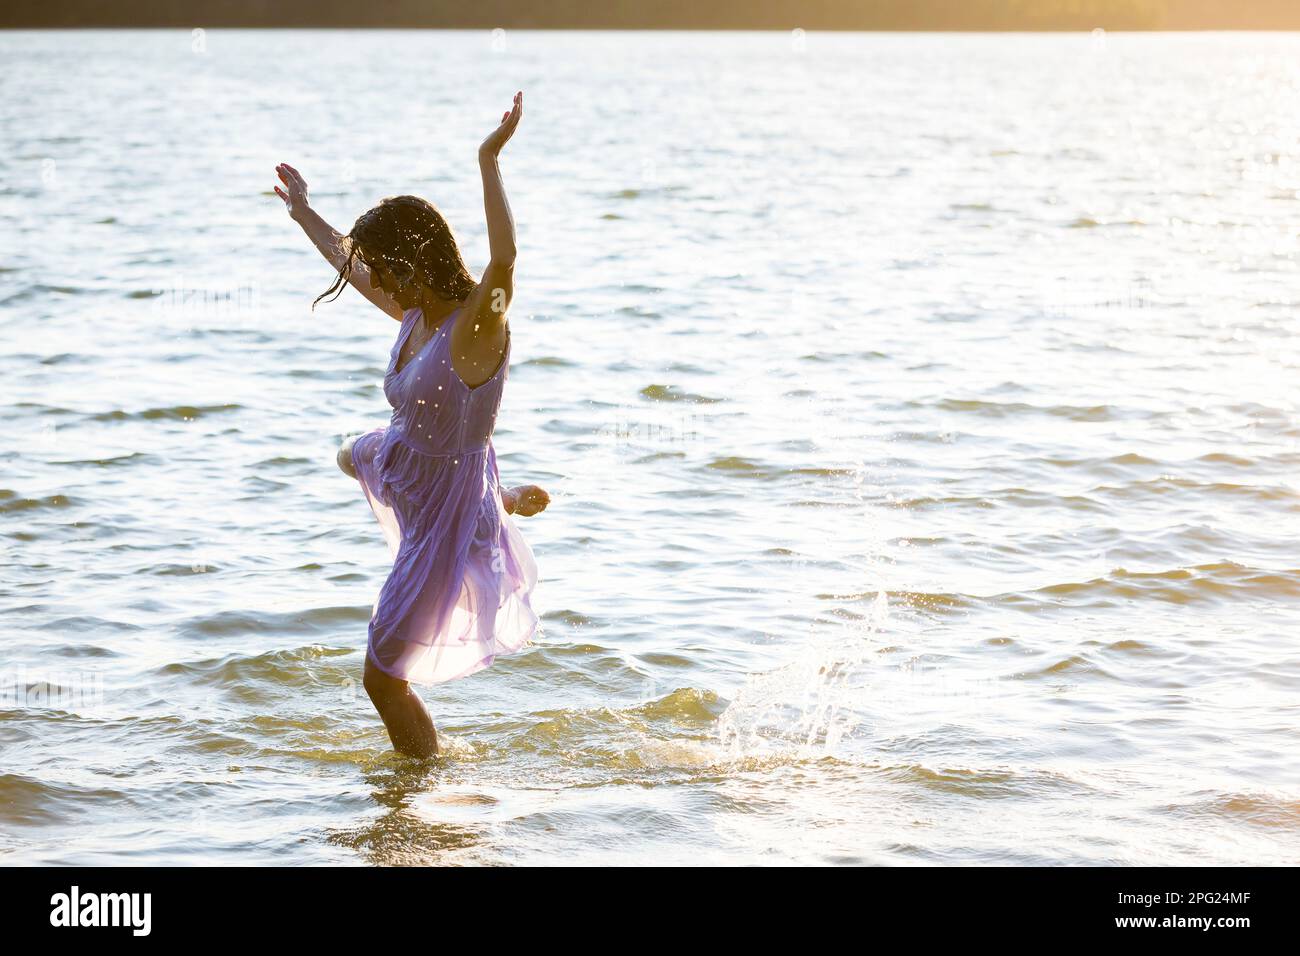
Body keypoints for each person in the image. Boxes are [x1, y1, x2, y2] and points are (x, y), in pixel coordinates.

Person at [274, 91, 548, 758]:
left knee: (382, 674)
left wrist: (488, 159)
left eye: (387, 265)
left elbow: (505, 262)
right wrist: (305, 211)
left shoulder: (478, 323)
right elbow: (350, 263)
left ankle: (419, 789)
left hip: (442, 502)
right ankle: (498, 502)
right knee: (349, 453)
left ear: (416, 262)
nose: (377, 282)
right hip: (413, 465)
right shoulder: (415, 315)